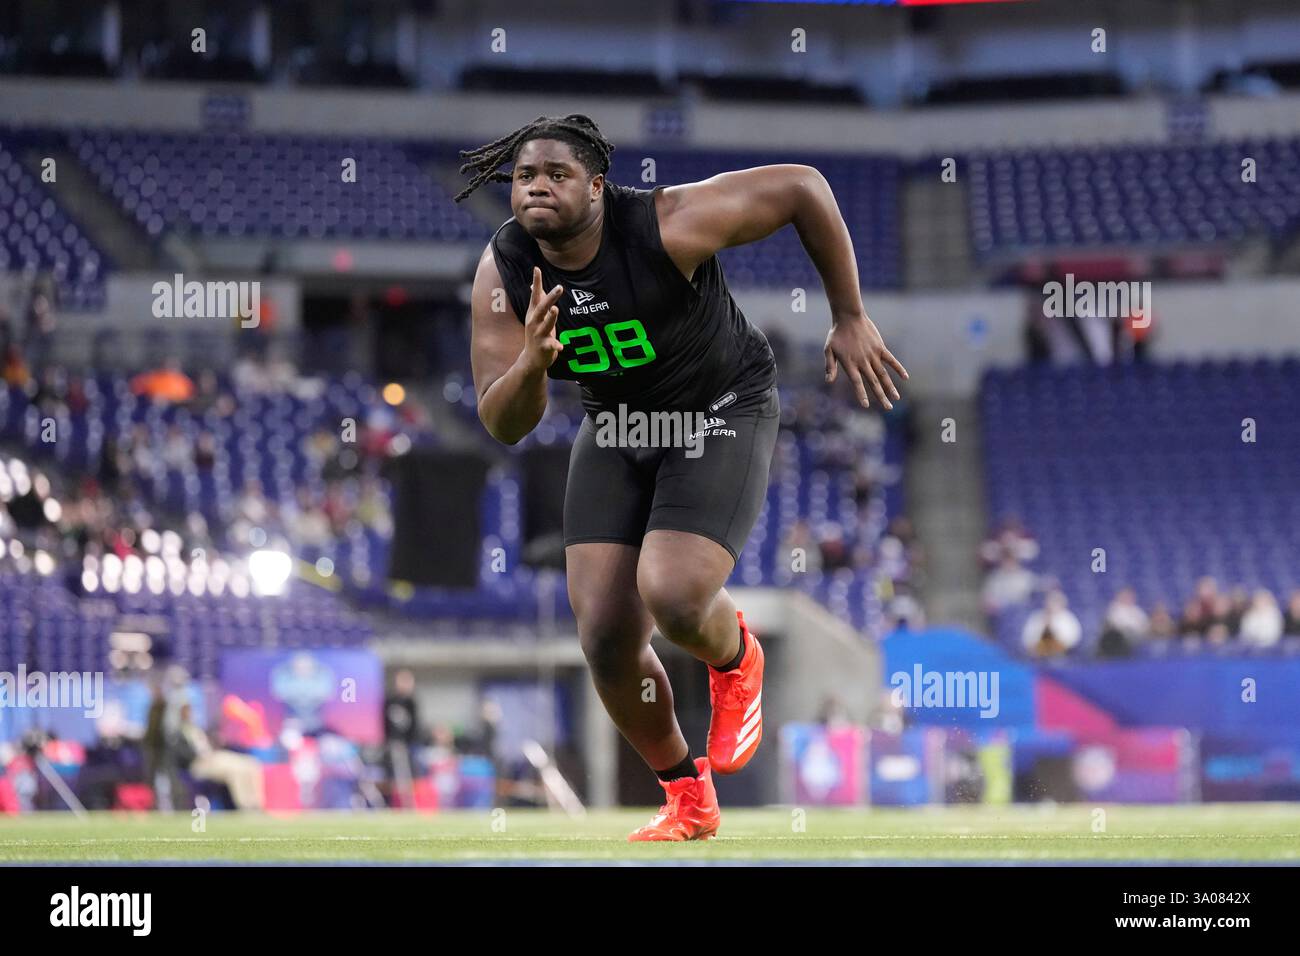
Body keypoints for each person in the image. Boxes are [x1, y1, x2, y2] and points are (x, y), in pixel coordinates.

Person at [461, 114, 905, 841]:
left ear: (599, 186)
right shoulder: (504, 269)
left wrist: (849, 314)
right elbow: (503, 422)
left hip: (718, 408)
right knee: (604, 637)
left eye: (557, 174)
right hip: (618, 425)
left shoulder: (666, 223)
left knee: (669, 593)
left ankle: (736, 656)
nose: (537, 186)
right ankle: (686, 796)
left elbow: (802, 186)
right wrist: (532, 367)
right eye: (524, 176)